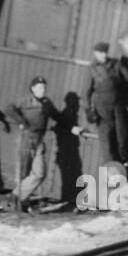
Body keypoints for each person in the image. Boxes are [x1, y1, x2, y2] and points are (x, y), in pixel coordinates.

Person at [7, 75, 82, 210]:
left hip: (39, 140)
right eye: (40, 87)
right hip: (26, 139)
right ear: (33, 88)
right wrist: (22, 121)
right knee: (24, 173)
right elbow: (9, 108)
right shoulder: (25, 100)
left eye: (44, 87)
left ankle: (16, 196)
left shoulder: (47, 103)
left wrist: (72, 128)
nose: (43, 90)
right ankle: (20, 203)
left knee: (40, 173)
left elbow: (58, 117)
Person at [85, 42, 128, 167]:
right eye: (100, 53)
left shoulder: (115, 64)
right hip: (102, 112)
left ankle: (123, 162)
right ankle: (112, 177)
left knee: (122, 138)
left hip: (117, 108)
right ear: (95, 53)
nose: (103, 55)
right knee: (107, 147)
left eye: (105, 52)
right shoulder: (92, 69)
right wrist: (88, 111)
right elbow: (86, 92)